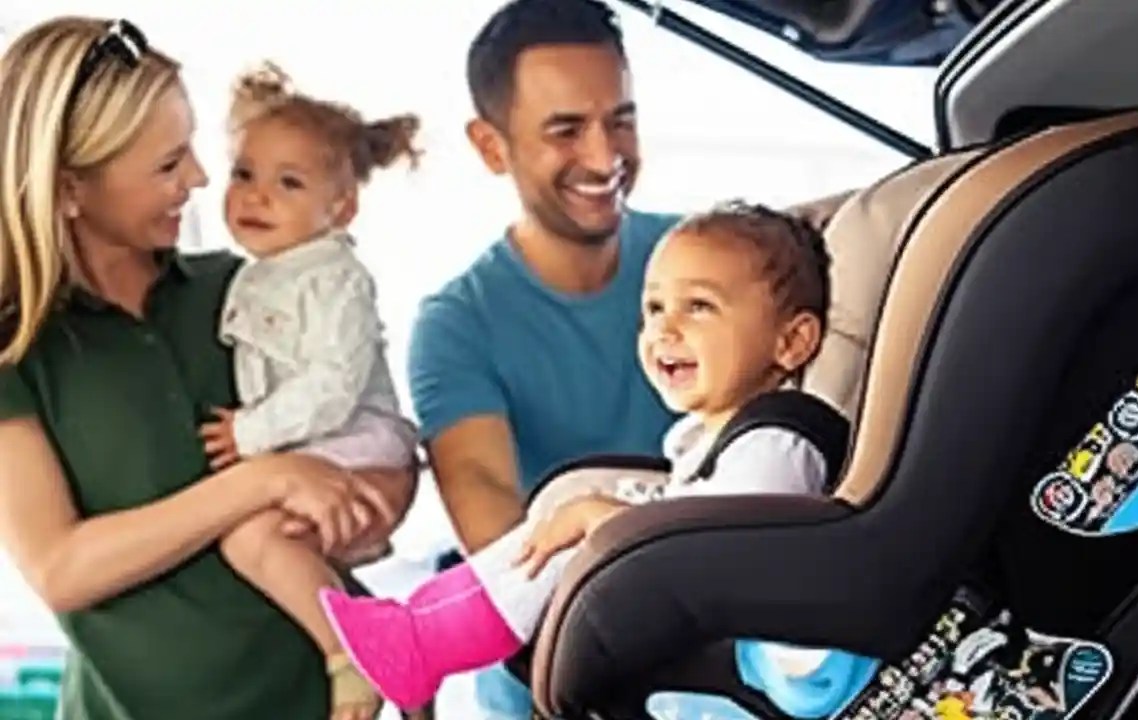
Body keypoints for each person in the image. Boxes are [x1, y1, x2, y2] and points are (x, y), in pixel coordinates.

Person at [0, 18, 415, 720]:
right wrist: (262, 480)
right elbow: (60, 569)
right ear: (69, 189)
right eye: (168, 165)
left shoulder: (248, 291)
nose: (198, 178)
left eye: (191, 149)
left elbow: (375, 439)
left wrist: (379, 492)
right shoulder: (15, 352)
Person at [331, 201, 835, 712]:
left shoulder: (777, 440)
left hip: (730, 646)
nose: (665, 329)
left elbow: (728, 554)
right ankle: (420, 630)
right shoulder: (707, 440)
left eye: (699, 306)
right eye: (654, 308)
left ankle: (425, 640)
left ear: (792, 341)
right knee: (566, 509)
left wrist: (606, 520)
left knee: (579, 523)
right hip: (671, 608)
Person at [406, 2, 680, 711]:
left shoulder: (702, 261)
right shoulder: (456, 325)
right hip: (555, 672)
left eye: (621, 120)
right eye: (566, 130)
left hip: (712, 651)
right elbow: (505, 545)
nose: (605, 156)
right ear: (490, 146)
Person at [194, 62, 423, 720]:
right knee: (275, 543)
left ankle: (349, 652)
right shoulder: (259, 273)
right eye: (244, 174)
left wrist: (251, 436)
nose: (256, 197)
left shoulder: (334, 279)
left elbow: (333, 385)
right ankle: (394, 640)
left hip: (354, 438)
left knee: (251, 539)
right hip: (316, 444)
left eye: (288, 183)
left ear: (341, 207)